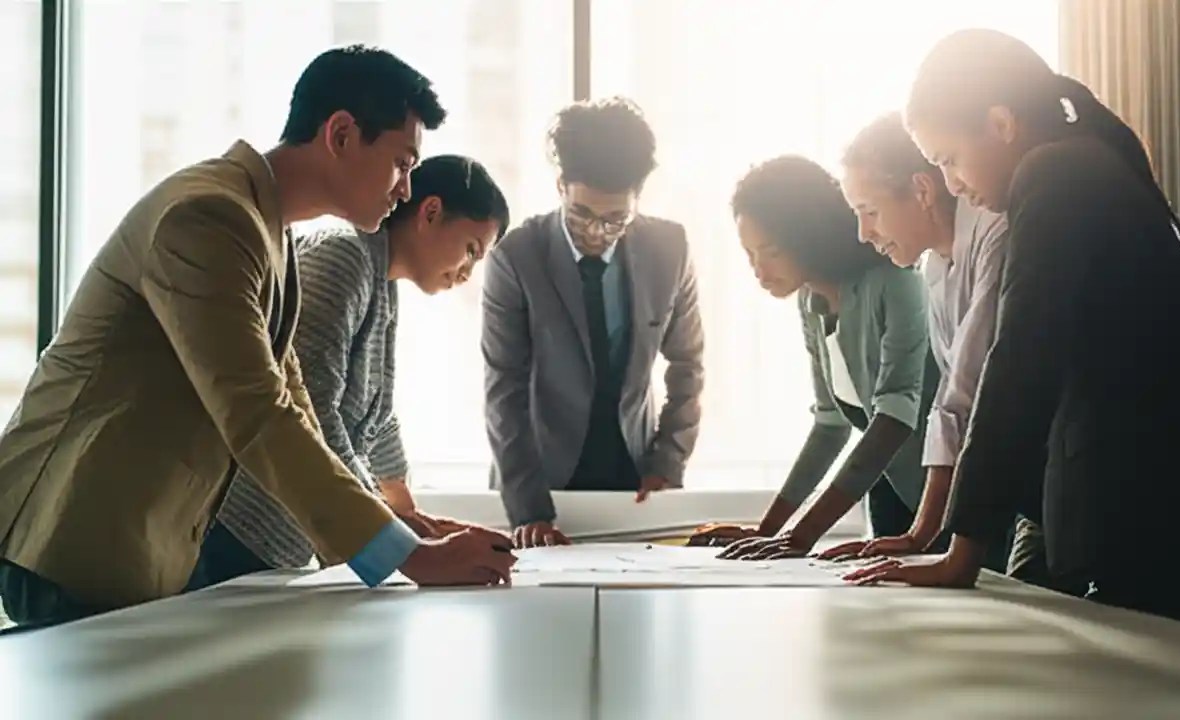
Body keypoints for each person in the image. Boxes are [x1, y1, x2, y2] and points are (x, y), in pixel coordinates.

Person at [0, 45, 514, 630]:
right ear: (341, 134)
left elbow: (294, 404)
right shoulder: (210, 216)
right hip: (74, 539)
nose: (405, 189)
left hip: (138, 546)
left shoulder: (269, 235)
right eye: (402, 163)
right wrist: (410, 556)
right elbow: (258, 411)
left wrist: (401, 529)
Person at [845, 29, 1180, 635]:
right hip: (1179, 497)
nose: (951, 184)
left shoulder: (1056, 177)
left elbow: (1021, 360)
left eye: (947, 159)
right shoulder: (1084, 164)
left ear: (1000, 124)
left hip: (1161, 503)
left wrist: (962, 551)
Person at [187, 155, 511, 590]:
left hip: (277, 540)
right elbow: (313, 409)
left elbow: (377, 417)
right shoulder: (346, 256)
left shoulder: (381, 280)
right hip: (237, 528)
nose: (468, 273)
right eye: (471, 250)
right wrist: (394, 531)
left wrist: (411, 515)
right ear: (430, 213)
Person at [482, 97, 705, 549]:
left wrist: (668, 462)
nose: (596, 232)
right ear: (561, 185)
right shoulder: (516, 257)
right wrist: (529, 510)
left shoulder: (670, 248)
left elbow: (688, 365)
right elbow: (504, 389)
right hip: (541, 482)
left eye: (615, 219)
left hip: (637, 480)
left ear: (637, 198)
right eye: (582, 214)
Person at [690, 155, 939, 560]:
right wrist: (767, 531)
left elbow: (894, 420)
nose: (758, 269)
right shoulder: (811, 301)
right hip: (892, 493)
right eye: (750, 254)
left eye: (769, 251)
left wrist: (802, 536)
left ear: (808, 234)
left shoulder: (896, 280)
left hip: (947, 501)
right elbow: (830, 426)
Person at [814, 113, 1026, 578]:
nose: (862, 234)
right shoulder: (934, 268)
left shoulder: (997, 233)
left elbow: (971, 396)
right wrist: (920, 534)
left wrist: (954, 560)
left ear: (923, 191)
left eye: (868, 211)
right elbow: (947, 406)